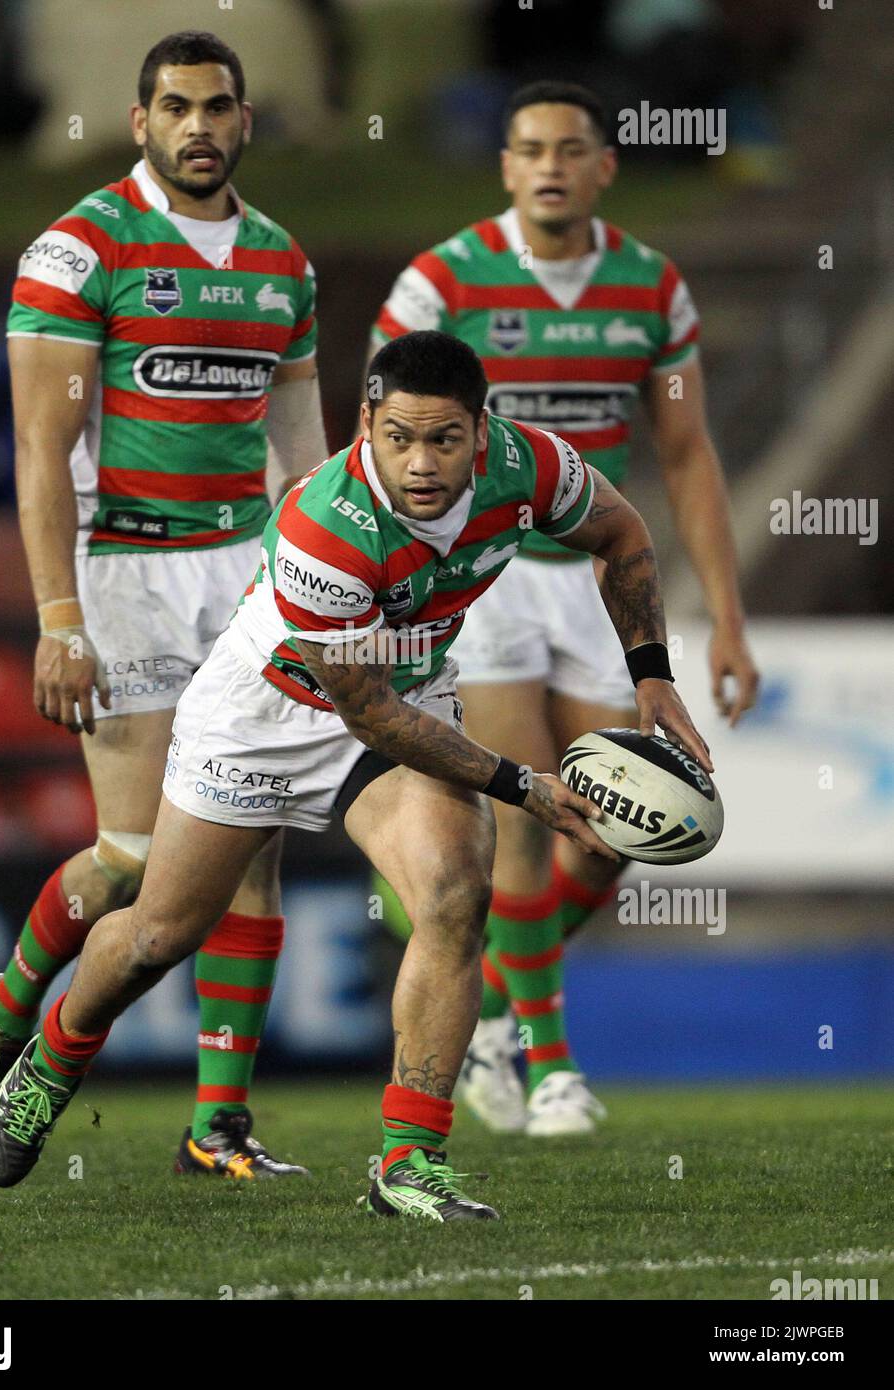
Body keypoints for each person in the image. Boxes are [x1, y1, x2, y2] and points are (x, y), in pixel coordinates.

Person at [0, 330, 712, 1222]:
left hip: (403, 698)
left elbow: (622, 533)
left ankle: (409, 1158)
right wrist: (524, 786)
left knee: (452, 891)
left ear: (484, 433)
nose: (421, 462)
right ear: (365, 423)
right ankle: (51, 1059)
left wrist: (653, 675)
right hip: (266, 715)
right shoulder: (329, 522)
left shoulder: (532, 468)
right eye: (398, 437)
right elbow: (369, 715)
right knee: (158, 936)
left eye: (445, 438)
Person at [0, 30, 327, 1179]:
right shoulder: (81, 249)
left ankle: (216, 1126)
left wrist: (324, 594)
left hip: (244, 576)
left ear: (245, 121)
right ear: (140, 123)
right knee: (128, 857)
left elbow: (302, 450)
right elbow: (37, 448)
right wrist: (56, 615)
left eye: (218, 107)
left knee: (251, 854)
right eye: (176, 107)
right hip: (119, 570)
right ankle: (7, 1003)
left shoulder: (281, 265)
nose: (199, 127)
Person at [369, 81, 757, 1137]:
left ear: (602, 167)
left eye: (568, 147)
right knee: (529, 816)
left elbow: (684, 451)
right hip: (481, 572)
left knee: (622, 827)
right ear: (503, 166)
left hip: (595, 570)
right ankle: (548, 1069)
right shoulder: (439, 281)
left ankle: (495, 1010)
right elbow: (375, 434)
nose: (547, 164)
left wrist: (721, 616)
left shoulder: (650, 287)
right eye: (527, 147)